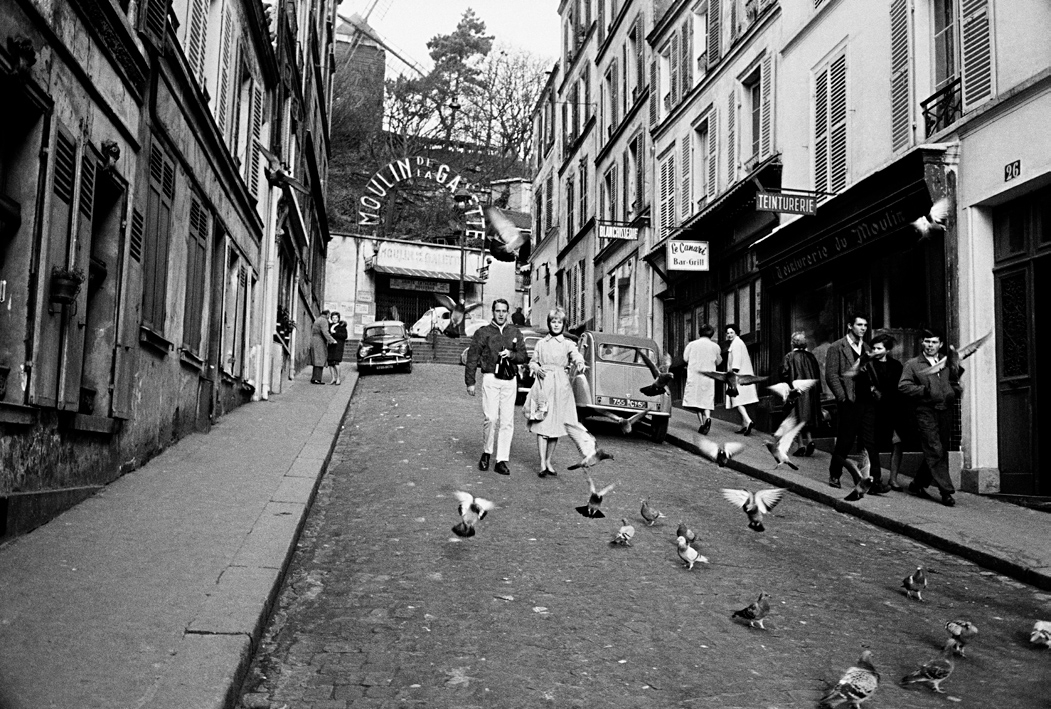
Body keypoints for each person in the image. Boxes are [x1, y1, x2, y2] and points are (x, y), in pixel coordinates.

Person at [465, 299, 529, 476]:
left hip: (509, 380)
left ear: (508, 312)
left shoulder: (514, 332)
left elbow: (523, 356)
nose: (501, 314)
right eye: (498, 311)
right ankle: (486, 453)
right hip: (491, 378)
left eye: (504, 311)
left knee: (507, 421)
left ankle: (501, 460)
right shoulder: (483, 332)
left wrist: (511, 354)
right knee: (491, 418)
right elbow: (472, 357)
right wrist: (470, 382)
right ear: (492, 312)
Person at [898, 328, 960, 507]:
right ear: (922, 342)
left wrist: (953, 391)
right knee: (934, 449)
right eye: (927, 341)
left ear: (940, 344)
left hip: (945, 410)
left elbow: (954, 380)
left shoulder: (946, 362)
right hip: (925, 411)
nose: (930, 345)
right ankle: (946, 491)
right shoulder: (913, 364)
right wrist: (924, 391)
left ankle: (917, 484)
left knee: (939, 449)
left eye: (934, 342)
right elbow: (903, 386)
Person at [526, 306, 587, 478]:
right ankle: (541, 463)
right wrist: (536, 367)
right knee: (542, 423)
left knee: (556, 426)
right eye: (553, 321)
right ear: (549, 323)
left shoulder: (568, 344)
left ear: (563, 324)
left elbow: (576, 355)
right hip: (544, 385)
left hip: (561, 388)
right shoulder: (541, 343)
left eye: (559, 322)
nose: (556, 325)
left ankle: (548, 460)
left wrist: (580, 363)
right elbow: (533, 361)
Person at [824, 313, 882, 491]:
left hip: (867, 401)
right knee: (845, 440)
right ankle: (835, 474)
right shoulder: (837, 347)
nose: (863, 328)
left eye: (865, 325)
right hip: (850, 401)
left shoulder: (866, 347)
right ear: (850, 326)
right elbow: (831, 375)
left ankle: (874, 481)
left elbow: (869, 373)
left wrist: (874, 388)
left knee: (870, 441)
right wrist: (842, 398)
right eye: (859, 325)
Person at [868, 333, 906, 492]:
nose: (875, 351)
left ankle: (893, 478)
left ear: (888, 350)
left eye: (879, 348)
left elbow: (901, 387)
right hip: (875, 409)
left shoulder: (896, 366)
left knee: (897, 442)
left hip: (893, 409)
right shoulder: (869, 365)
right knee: (874, 443)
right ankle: (874, 477)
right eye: (873, 348)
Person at [777, 331, 822, 456]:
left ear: (792, 343)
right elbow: (817, 374)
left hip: (796, 391)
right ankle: (810, 440)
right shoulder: (811, 357)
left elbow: (783, 373)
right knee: (806, 417)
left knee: (796, 416)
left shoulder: (789, 357)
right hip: (810, 391)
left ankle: (801, 445)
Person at [682, 324, 722, 434]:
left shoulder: (692, 344)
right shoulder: (715, 347)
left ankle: (702, 423)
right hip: (708, 377)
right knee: (707, 400)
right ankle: (708, 418)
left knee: (697, 402)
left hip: (695, 376)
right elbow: (718, 361)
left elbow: (685, 358)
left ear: (700, 333)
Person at [724, 324, 758, 435]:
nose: (729, 335)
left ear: (736, 332)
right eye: (728, 333)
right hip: (741, 376)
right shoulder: (737, 343)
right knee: (740, 400)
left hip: (737, 377)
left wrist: (733, 374)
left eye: (731, 332)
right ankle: (744, 425)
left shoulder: (737, 344)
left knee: (736, 399)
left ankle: (748, 421)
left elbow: (736, 362)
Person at [310, 309, 336, 384]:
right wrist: (332, 340)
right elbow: (325, 332)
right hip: (319, 342)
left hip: (314, 340)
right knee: (320, 359)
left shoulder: (318, 319)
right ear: (327, 315)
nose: (329, 317)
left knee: (316, 359)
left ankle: (314, 378)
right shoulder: (324, 320)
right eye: (329, 315)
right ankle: (317, 379)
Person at [326, 312, 348, 385]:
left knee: (336, 362)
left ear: (338, 318)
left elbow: (345, 336)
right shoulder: (330, 325)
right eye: (333, 317)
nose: (334, 319)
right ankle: (333, 378)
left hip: (338, 346)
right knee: (330, 363)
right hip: (331, 346)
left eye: (336, 317)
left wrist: (335, 333)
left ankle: (338, 378)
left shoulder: (342, 326)